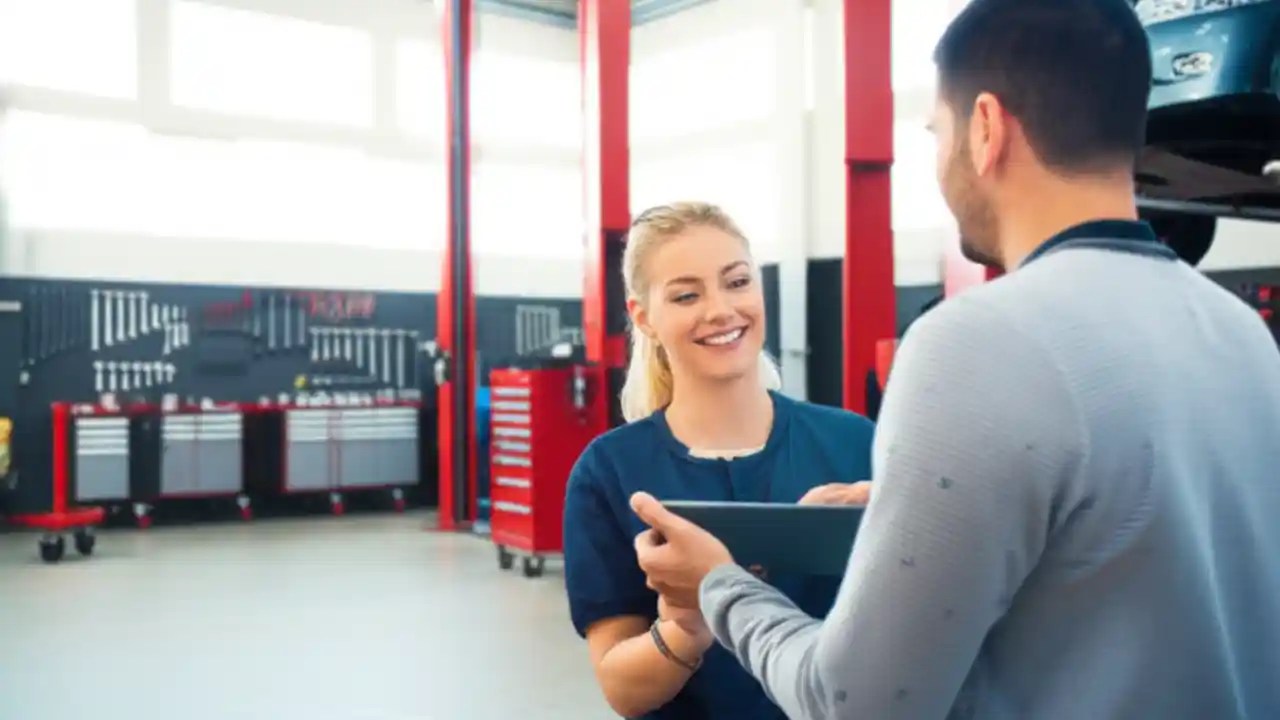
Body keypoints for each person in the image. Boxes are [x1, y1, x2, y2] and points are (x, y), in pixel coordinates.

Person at [628, 1, 1280, 718]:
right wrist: (937, 505)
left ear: (986, 129)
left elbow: (855, 703)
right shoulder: (1243, 335)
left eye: (937, 132)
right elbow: (1134, 542)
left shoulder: (977, 341)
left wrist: (719, 586)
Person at [562, 201, 876, 719]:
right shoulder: (610, 473)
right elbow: (623, 689)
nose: (720, 310)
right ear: (645, 318)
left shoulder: (852, 444)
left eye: (736, 282)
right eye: (687, 295)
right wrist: (684, 626)